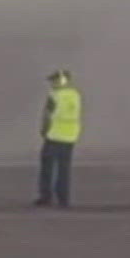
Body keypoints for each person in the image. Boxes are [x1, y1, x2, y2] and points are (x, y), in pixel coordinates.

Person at [34, 69, 81, 208]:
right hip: (70, 135)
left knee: (47, 166)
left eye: (54, 80)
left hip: (54, 135)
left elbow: (48, 115)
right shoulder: (75, 95)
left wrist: (44, 130)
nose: (52, 83)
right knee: (64, 168)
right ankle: (63, 198)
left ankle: (46, 196)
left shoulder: (54, 95)